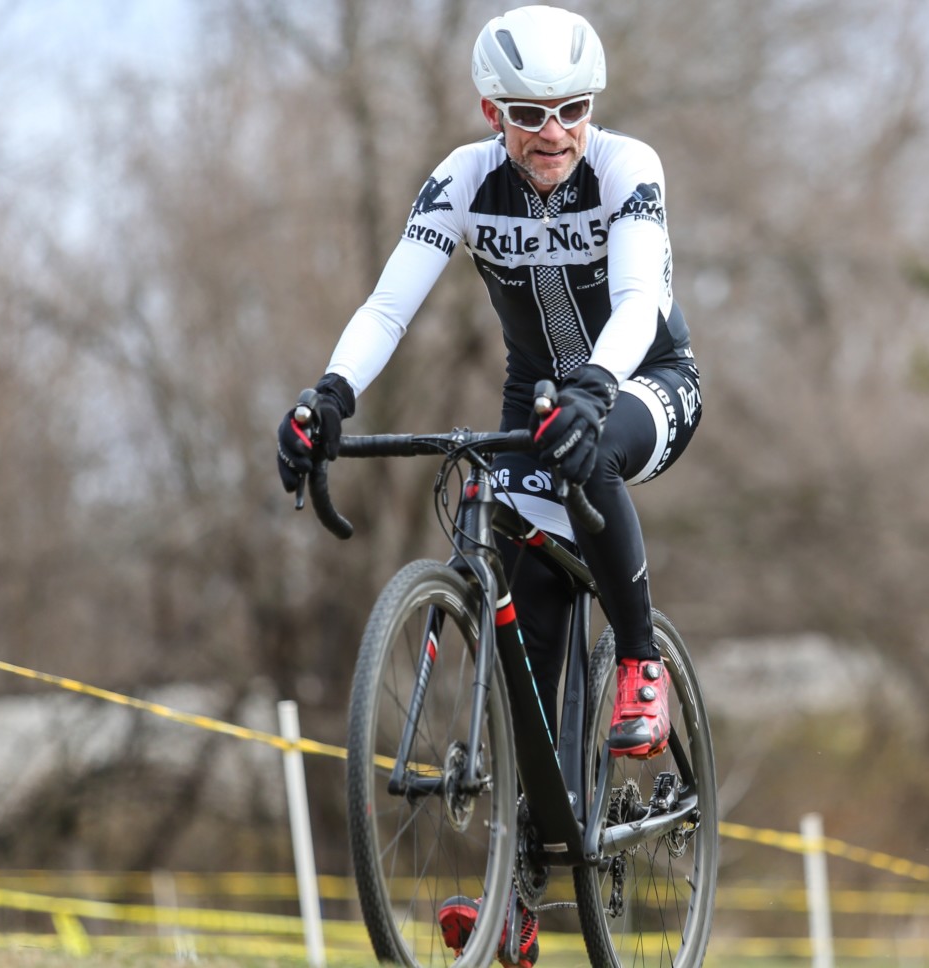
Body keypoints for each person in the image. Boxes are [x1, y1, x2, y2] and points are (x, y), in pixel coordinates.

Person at [275, 6, 701, 964]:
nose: (554, 131)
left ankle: (640, 659)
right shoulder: (463, 180)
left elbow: (636, 301)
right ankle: (520, 893)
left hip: (641, 381)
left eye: (573, 109)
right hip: (537, 398)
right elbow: (390, 302)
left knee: (583, 451)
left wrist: (597, 385)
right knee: (527, 638)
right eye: (529, 113)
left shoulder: (629, 168)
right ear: (489, 111)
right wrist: (330, 392)